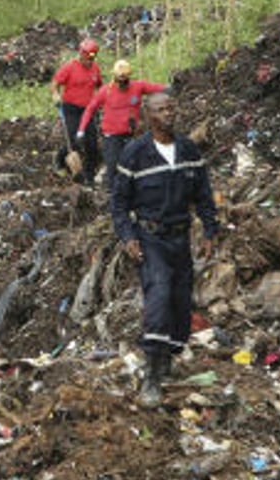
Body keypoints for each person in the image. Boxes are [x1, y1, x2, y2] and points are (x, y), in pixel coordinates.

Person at [111, 93, 219, 408]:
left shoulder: (188, 150)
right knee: (158, 295)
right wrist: (128, 236)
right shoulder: (135, 154)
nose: (168, 113)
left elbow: (203, 194)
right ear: (148, 116)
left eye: (171, 107)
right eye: (160, 110)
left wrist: (210, 229)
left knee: (180, 302)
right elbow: (118, 202)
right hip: (150, 239)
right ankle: (151, 376)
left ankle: (168, 359)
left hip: (180, 238)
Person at [77, 59, 166, 192]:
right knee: (113, 166)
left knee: (135, 164)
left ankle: (137, 192)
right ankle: (114, 195)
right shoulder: (105, 91)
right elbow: (90, 109)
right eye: (120, 80)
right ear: (115, 77)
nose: (122, 83)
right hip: (111, 136)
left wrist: (169, 88)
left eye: (125, 79)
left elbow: (156, 88)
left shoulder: (137, 87)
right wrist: (81, 130)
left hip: (131, 134)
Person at [51, 38, 102, 182]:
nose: (89, 61)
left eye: (92, 57)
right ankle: (60, 161)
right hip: (71, 109)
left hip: (88, 110)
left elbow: (99, 86)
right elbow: (55, 84)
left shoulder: (95, 68)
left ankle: (89, 176)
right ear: (81, 54)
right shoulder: (69, 68)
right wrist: (55, 95)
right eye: (87, 57)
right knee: (73, 141)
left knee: (92, 143)